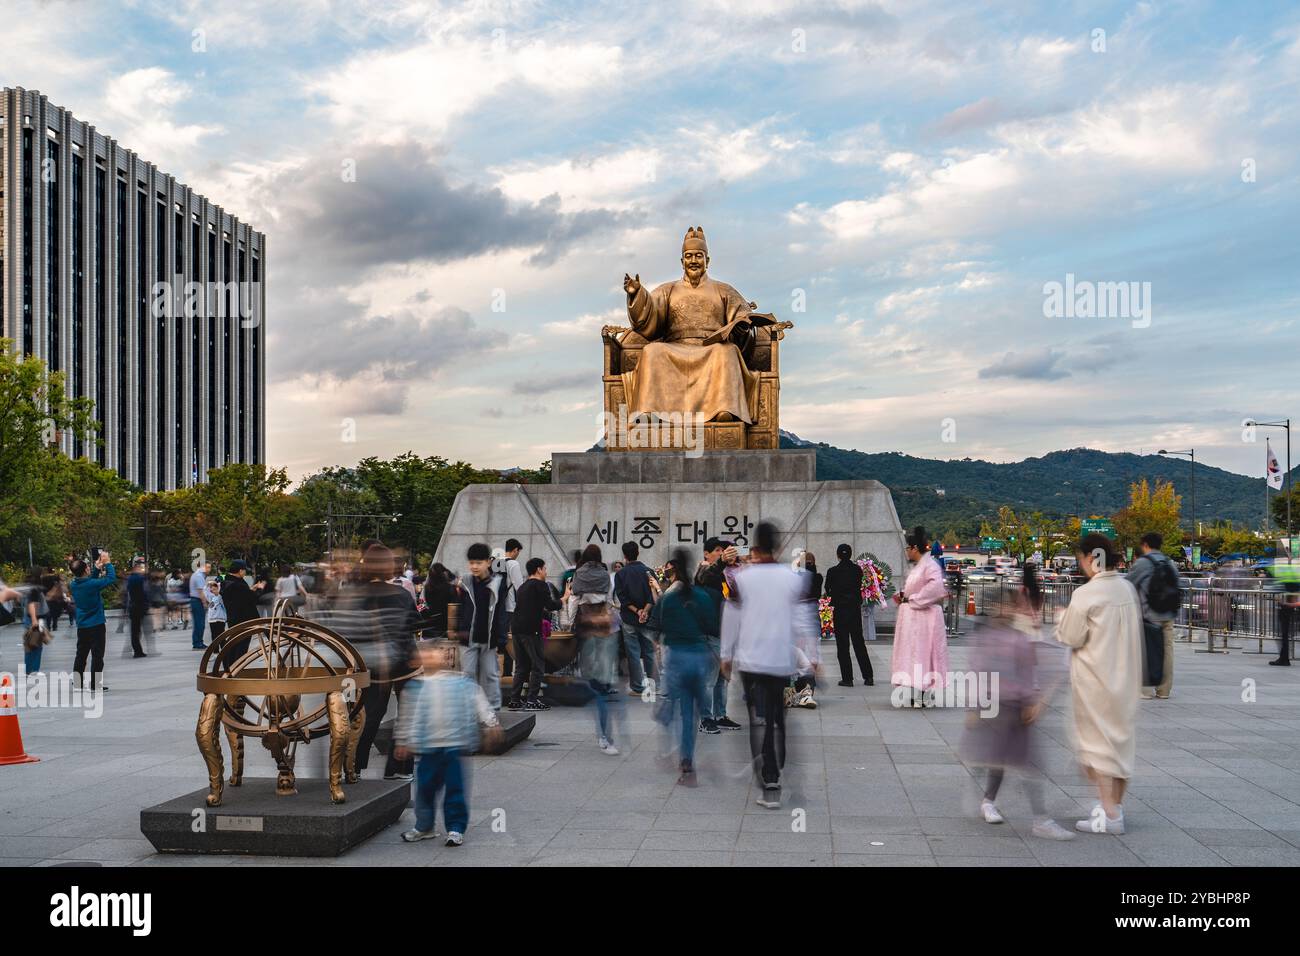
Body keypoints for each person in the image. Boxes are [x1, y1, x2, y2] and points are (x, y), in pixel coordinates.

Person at [962, 565, 1075, 840]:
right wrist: (975, 707)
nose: (1004, 611)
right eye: (999, 605)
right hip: (994, 706)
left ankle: (1037, 817)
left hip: (1017, 706)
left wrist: (1034, 701)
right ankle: (990, 802)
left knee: (1028, 761)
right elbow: (977, 673)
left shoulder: (1019, 639)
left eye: (1009, 606)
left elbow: (1030, 672)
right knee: (998, 758)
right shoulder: (985, 639)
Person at [1056, 533, 1143, 835]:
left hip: (1096, 680)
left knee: (1097, 748)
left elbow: (1070, 636)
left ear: (1091, 559)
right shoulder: (1126, 588)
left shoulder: (1086, 595)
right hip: (1126, 679)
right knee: (1119, 746)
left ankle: (1110, 813)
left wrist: (1061, 618)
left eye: (1081, 559)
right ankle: (1114, 806)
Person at [314, 543, 422, 780]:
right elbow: (413, 625)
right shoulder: (402, 594)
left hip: (366, 666)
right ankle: (399, 769)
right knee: (406, 718)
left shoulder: (352, 594)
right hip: (403, 664)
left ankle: (354, 766)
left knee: (367, 716)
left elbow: (342, 631)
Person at [721, 522, 805, 808]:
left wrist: (725, 654)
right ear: (777, 547)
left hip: (751, 660)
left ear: (754, 547)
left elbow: (731, 615)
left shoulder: (744, 578)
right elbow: (802, 617)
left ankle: (768, 778)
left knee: (758, 720)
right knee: (777, 716)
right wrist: (812, 656)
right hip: (779, 659)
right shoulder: (791, 578)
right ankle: (776, 767)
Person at [395, 641, 502, 847]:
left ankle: (455, 827)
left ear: (445, 657)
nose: (429, 657)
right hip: (427, 749)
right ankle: (424, 826)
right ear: (416, 661)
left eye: (433, 653)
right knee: (424, 790)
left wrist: (491, 723)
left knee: (455, 789)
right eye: (424, 654)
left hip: (455, 746)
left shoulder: (461, 683)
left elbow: (478, 700)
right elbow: (406, 717)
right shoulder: (414, 687)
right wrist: (403, 740)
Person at [654, 550, 721, 785]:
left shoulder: (668, 598)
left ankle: (666, 723)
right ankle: (687, 760)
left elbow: (656, 626)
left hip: (676, 656)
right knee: (690, 713)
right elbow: (711, 626)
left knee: (675, 705)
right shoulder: (702, 596)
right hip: (697, 655)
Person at [891, 527, 950, 708]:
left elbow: (935, 587)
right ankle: (917, 690)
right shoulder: (921, 566)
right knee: (914, 654)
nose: (907, 552)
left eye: (908, 548)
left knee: (922, 654)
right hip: (915, 617)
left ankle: (923, 692)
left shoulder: (930, 565)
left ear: (915, 548)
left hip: (924, 618)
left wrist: (913, 599)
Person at [573, 543, 622, 755]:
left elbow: (574, 597)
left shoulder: (578, 575)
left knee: (591, 677)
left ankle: (590, 682)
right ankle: (604, 734)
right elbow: (610, 601)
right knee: (602, 680)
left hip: (585, 627)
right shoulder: (605, 576)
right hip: (603, 628)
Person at [507, 557, 567, 711]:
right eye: (545, 569)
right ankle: (532, 700)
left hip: (516, 628)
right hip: (531, 630)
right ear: (539, 569)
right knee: (538, 665)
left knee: (521, 666)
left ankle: (514, 700)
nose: (546, 572)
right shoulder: (540, 585)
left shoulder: (523, 586)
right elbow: (551, 605)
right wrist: (564, 598)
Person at [695, 538, 742, 730]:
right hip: (710, 632)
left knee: (723, 678)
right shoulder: (703, 570)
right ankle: (705, 718)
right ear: (706, 553)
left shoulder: (726, 574)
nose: (721, 553)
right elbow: (705, 578)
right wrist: (721, 561)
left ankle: (720, 714)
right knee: (709, 678)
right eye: (716, 550)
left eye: (724, 550)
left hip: (726, 632)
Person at [454, 543, 509, 711]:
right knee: (468, 674)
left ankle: (493, 710)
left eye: (478, 563)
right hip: (468, 637)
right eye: (471, 563)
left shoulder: (498, 583)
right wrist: (458, 629)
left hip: (489, 637)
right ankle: (468, 709)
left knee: (490, 675)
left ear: (488, 562)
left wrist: (501, 638)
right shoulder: (465, 582)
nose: (474, 566)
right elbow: (459, 608)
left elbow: (501, 611)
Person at [1126, 532, 1179, 699]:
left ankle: (1145, 690)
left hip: (1148, 615)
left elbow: (1128, 584)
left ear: (1145, 545)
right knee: (1167, 651)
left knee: (1146, 650)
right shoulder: (1170, 563)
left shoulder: (1143, 562)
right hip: (1168, 614)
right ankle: (1164, 690)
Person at [824, 543, 873, 687]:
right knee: (859, 644)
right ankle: (868, 677)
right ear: (850, 555)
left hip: (840, 611)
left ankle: (847, 678)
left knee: (843, 646)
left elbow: (828, 589)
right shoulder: (857, 570)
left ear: (838, 555)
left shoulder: (832, 571)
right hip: (854, 611)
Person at [614, 541, 658, 696]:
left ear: (625, 556)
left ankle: (638, 687)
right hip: (647, 618)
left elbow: (622, 598)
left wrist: (637, 611)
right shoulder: (648, 571)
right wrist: (644, 611)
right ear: (638, 552)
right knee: (649, 652)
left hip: (629, 618)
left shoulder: (620, 574)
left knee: (633, 653)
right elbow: (652, 596)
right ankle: (654, 685)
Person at [69, 551, 117, 691]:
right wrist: (107, 563)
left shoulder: (74, 584)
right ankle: (95, 684)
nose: (90, 568)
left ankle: (77, 682)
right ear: (85, 570)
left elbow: (90, 582)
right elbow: (110, 578)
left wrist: (96, 568)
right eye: (88, 567)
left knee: (81, 654)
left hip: (82, 625)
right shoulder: (91, 584)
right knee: (97, 655)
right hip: (96, 624)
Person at [215, 561, 266, 668]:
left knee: (234, 643)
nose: (245, 573)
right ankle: (236, 668)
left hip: (233, 618)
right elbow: (252, 599)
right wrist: (260, 589)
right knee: (241, 646)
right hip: (244, 619)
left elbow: (241, 597)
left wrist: (251, 589)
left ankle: (229, 667)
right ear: (240, 570)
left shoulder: (227, 582)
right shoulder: (239, 585)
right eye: (244, 570)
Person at [500, 539, 526, 680]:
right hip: (510, 607)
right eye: (518, 552)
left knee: (502, 639)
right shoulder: (513, 564)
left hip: (498, 608)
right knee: (510, 640)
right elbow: (520, 588)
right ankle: (507, 672)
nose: (517, 555)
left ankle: (502, 671)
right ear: (515, 550)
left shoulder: (496, 563)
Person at [20, 567, 52, 675]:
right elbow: (32, 604)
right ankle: (33, 670)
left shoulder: (30, 587)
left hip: (33, 618)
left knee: (32, 644)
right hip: (35, 619)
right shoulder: (34, 588)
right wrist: (34, 620)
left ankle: (30, 670)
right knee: (35, 645)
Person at [126, 560, 150, 658]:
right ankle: (138, 651)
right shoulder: (140, 578)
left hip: (133, 606)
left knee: (135, 630)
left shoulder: (131, 578)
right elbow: (144, 593)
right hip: (139, 606)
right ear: (138, 568)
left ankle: (137, 650)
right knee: (137, 630)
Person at [188, 560, 209, 650]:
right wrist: (205, 603)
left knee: (198, 623)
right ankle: (197, 643)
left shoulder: (197, 575)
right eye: (208, 567)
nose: (209, 569)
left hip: (195, 600)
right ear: (202, 566)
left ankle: (198, 642)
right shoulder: (199, 576)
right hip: (197, 601)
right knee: (199, 623)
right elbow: (200, 592)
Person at [206, 578, 227, 644]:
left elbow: (224, 606)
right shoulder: (210, 597)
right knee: (214, 635)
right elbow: (205, 590)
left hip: (220, 619)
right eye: (212, 590)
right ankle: (215, 651)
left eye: (215, 589)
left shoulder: (220, 597)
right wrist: (209, 584)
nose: (214, 591)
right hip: (211, 619)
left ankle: (224, 650)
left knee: (221, 635)